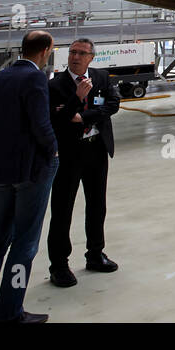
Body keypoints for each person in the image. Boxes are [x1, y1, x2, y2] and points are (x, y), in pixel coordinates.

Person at [0, 29, 59, 324]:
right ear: (46, 50)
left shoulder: (0, 77)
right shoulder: (35, 78)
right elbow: (41, 123)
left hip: (2, 169)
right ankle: (10, 312)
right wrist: (54, 151)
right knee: (25, 244)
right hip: (32, 168)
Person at [46, 37, 120, 287]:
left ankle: (95, 254)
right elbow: (59, 119)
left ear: (91, 57)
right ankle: (59, 265)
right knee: (62, 210)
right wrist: (77, 98)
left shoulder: (101, 77)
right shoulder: (56, 85)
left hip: (96, 150)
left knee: (97, 205)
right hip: (69, 154)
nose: (75, 57)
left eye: (81, 53)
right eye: (72, 52)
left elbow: (113, 105)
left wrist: (84, 116)